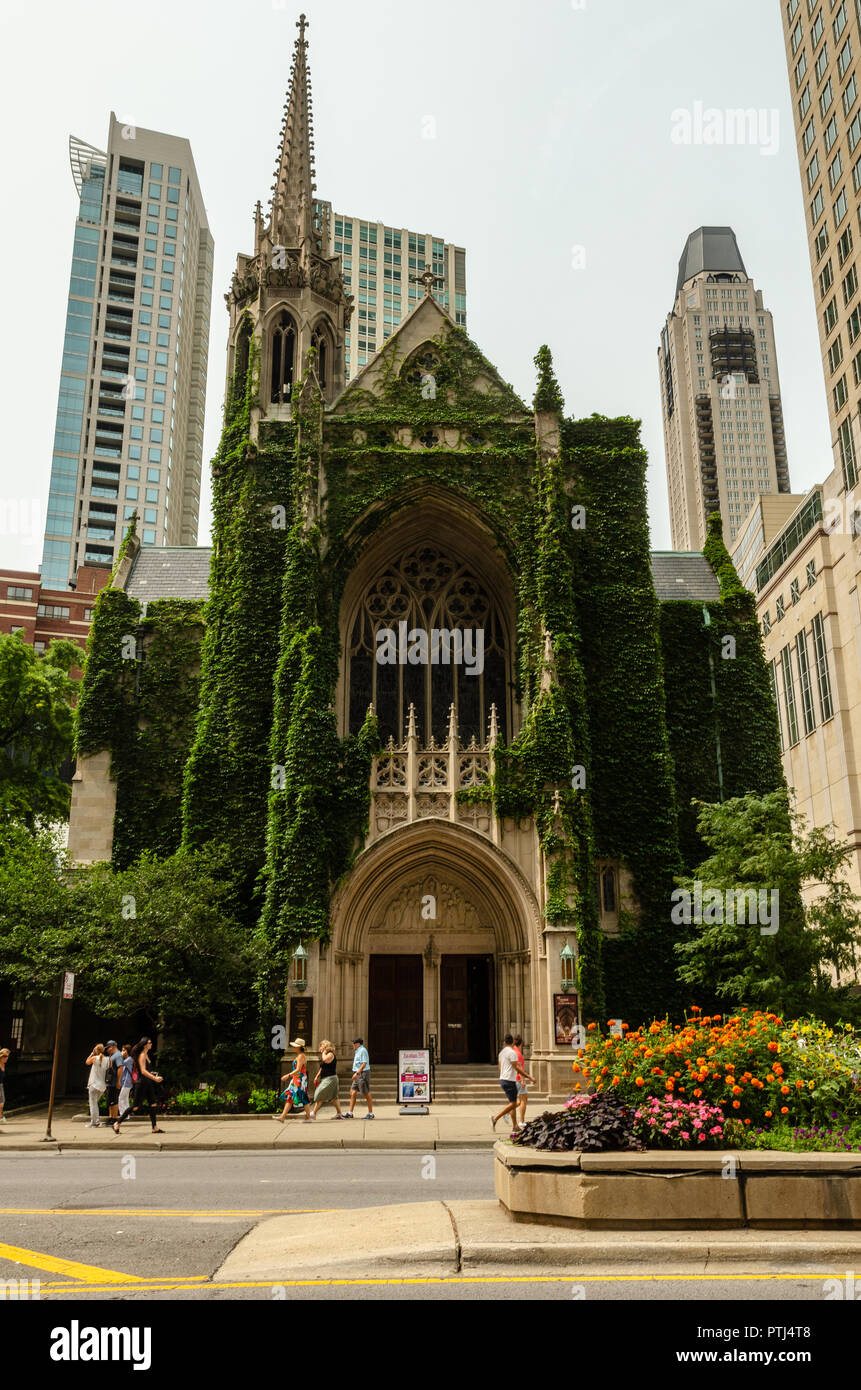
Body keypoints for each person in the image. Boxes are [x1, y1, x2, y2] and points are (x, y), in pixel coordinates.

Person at [113, 1038, 165, 1135]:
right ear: (145, 1045)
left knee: (153, 1104)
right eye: (150, 1043)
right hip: (141, 1084)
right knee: (135, 1106)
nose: (151, 1044)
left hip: (148, 1083)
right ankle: (117, 1123)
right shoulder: (142, 1055)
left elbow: (146, 1070)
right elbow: (143, 1071)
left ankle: (155, 1127)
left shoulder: (146, 1055)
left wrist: (152, 1073)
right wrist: (154, 1078)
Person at [492, 1034, 535, 1135]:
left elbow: (500, 1067)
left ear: (504, 1042)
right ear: (512, 1043)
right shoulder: (513, 1053)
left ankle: (515, 1126)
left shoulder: (501, 1053)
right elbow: (517, 1068)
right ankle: (495, 1118)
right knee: (514, 1103)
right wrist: (528, 1077)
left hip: (503, 1079)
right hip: (510, 1080)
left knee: (513, 1102)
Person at [275, 1038, 313, 1122]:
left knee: (303, 1097)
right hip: (296, 1078)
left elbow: (298, 1069)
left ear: (299, 1047)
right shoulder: (300, 1055)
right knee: (290, 1097)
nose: (294, 1047)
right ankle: (282, 1117)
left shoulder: (301, 1056)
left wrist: (288, 1075)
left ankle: (308, 1117)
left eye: (295, 1046)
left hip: (300, 1079)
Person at [310, 1040, 344, 1120]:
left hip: (331, 1078)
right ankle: (339, 1114)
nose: (320, 1048)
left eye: (321, 1046)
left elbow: (325, 1060)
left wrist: (323, 1052)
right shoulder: (325, 1054)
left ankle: (313, 1113)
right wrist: (316, 1076)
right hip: (327, 1078)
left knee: (319, 1093)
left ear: (325, 1047)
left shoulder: (330, 1054)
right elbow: (322, 1067)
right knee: (334, 1097)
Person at [345, 1037, 374, 1119]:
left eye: (354, 1043)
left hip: (362, 1073)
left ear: (357, 1044)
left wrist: (357, 1073)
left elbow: (364, 1063)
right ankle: (350, 1113)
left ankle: (371, 1113)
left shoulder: (362, 1050)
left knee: (366, 1092)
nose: (353, 1045)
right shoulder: (358, 1051)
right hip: (357, 1073)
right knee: (353, 1092)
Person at [85, 1043, 109, 1128]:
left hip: (94, 1084)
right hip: (102, 1086)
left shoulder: (94, 1058)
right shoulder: (107, 1059)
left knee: (93, 1104)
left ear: (96, 1050)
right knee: (95, 1103)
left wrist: (91, 1054)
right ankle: (96, 1121)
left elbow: (87, 1062)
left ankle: (94, 1122)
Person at [513, 1034, 530, 1128]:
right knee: (523, 1100)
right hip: (519, 1079)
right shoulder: (518, 1053)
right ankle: (522, 1121)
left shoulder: (513, 1051)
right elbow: (519, 1067)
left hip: (514, 1079)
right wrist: (523, 1080)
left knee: (520, 1101)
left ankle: (507, 1112)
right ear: (521, 1043)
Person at [103, 1040, 122, 1123]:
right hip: (110, 1082)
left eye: (108, 1048)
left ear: (112, 1047)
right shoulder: (112, 1055)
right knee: (110, 1100)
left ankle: (114, 1118)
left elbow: (120, 1068)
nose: (107, 1050)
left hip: (114, 1082)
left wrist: (118, 1081)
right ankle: (111, 1117)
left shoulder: (118, 1055)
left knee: (114, 1100)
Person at [116, 1044, 134, 1120]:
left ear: (127, 1051)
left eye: (123, 1050)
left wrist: (120, 1055)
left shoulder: (129, 1060)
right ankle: (127, 1115)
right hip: (127, 1082)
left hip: (127, 1082)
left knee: (120, 1098)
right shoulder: (128, 1059)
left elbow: (119, 1064)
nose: (122, 1052)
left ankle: (123, 1115)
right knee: (125, 1099)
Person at [0, 1047, 9, 1125]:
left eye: (8, 1056)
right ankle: (0, 1116)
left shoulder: (3, 1065)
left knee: (2, 1102)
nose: (7, 1058)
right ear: (1, 1056)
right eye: (5, 1056)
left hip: (1, 1085)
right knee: (1, 1103)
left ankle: (1, 1116)